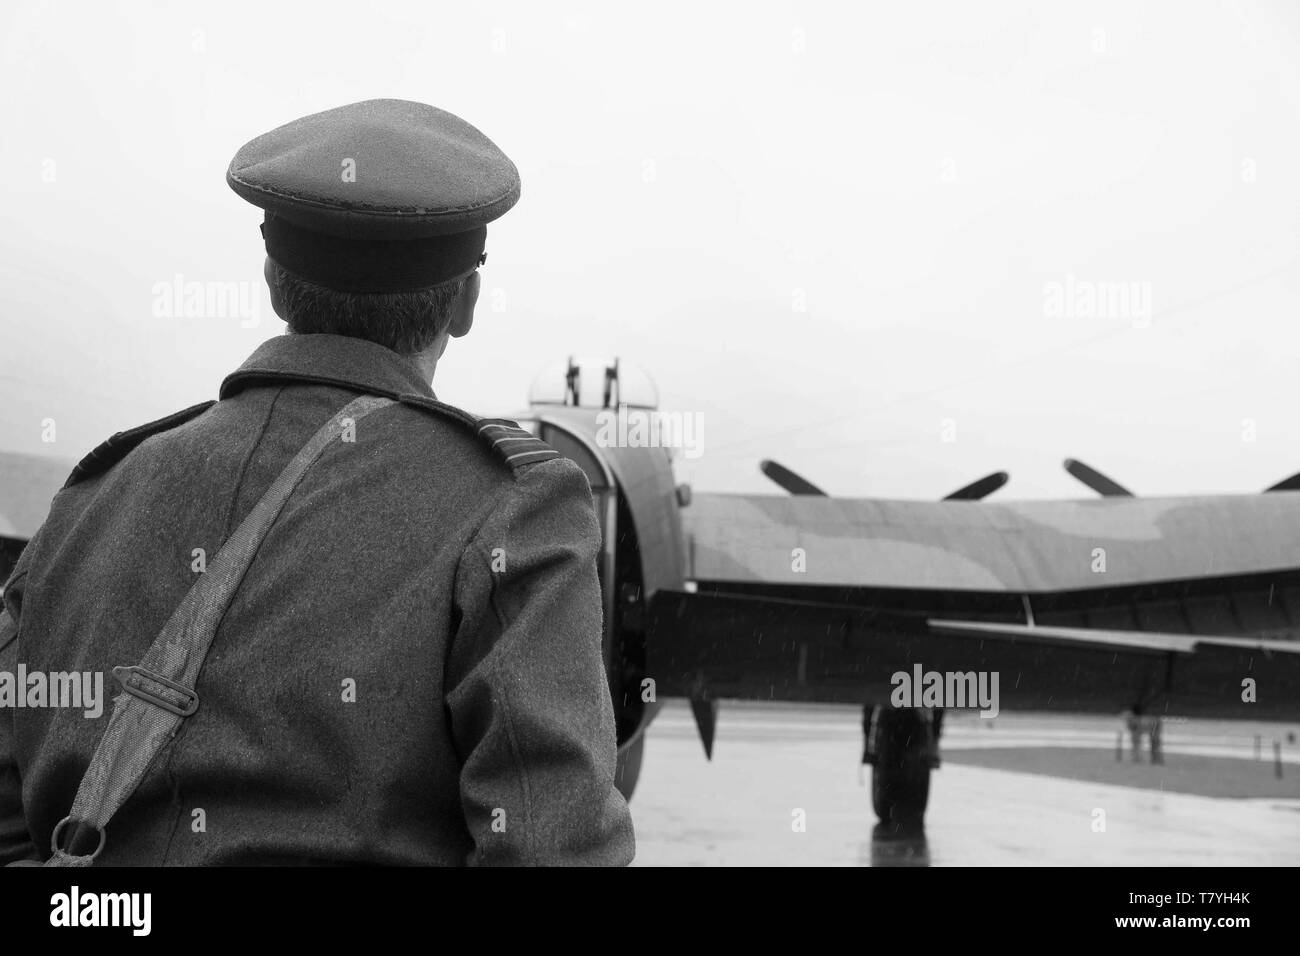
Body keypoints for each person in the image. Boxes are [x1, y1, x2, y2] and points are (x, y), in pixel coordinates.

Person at [0, 99, 635, 866]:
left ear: (274, 280)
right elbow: (550, 845)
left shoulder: (96, 494)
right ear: (465, 303)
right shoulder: (513, 504)